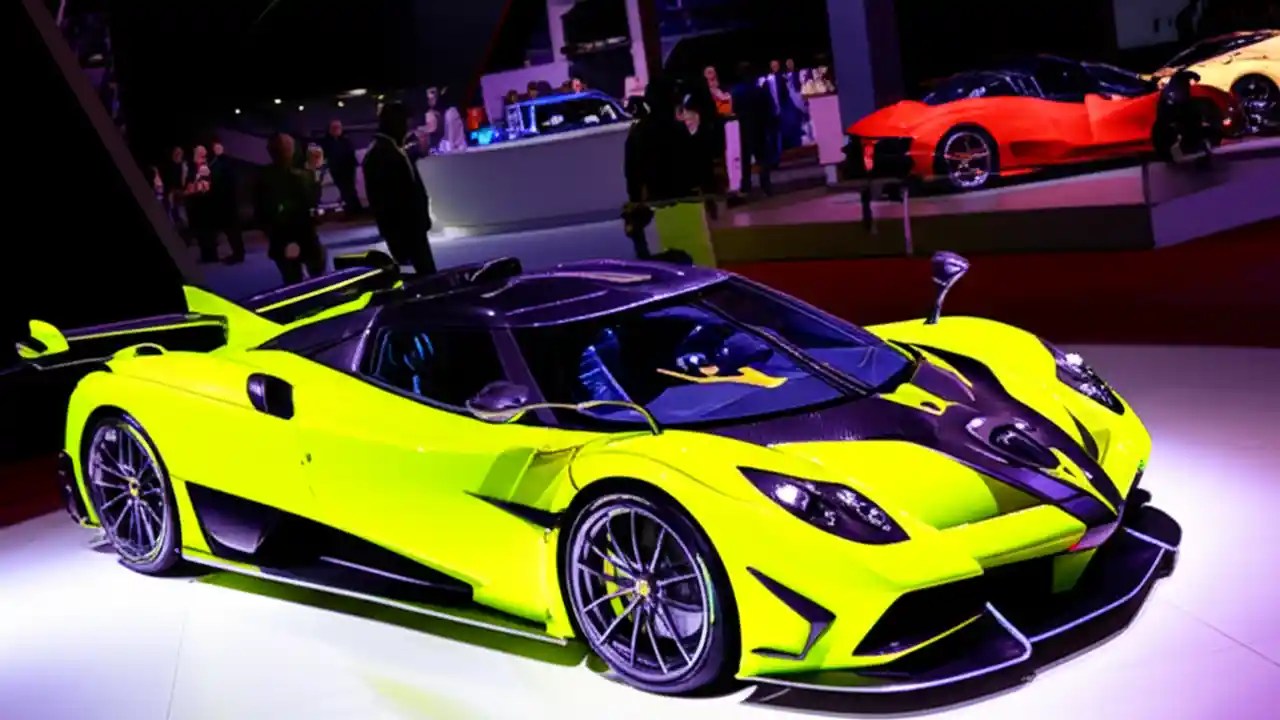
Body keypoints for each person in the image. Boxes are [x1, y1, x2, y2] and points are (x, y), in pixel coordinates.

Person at [623, 78, 696, 259]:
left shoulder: (638, 132)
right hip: (684, 207)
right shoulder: (679, 130)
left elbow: (631, 173)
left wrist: (636, 201)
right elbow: (693, 167)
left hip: (654, 209)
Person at [363, 101, 437, 275]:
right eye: (404, 123)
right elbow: (386, 201)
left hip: (411, 228)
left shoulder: (389, 149)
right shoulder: (382, 154)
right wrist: (396, 236)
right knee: (425, 277)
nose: (407, 129)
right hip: (406, 230)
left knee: (426, 274)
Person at [254, 133, 326, 285]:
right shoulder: (302, 176)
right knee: (318, 276)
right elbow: (313, 200)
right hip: (304, 235)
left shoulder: (261, 176)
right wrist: (315, 171)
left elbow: (259, 211)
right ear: (291, 150)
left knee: (291, 282)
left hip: (279, 237)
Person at [730, 62, 777, 199]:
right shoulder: (760, 90)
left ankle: (746, 186)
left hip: (745, 128)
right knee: (762, 158)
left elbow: (735, 110)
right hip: (760, 128)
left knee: (745, 159)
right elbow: (769, 108)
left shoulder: (736, 91)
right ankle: (766, 186)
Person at [208, 140, 245, 264]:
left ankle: (239, 254)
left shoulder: (227, 163)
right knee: (229, 229)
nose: (217, 149)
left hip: (229, 201)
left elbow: (230, 181)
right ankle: (237, 253)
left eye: (219, 147)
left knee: (233, 229)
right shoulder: (214, 163)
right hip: (221, 201)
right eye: (215, 147)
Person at [184, 145, 219, 263]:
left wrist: (192, 189)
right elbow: (189, 184)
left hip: (205, 204)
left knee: (208, 231)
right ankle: (206, 254)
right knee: (202, 232)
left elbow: (204, 187)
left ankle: (211, 255)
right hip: (197, 204)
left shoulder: (204, 168)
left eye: (199, 153)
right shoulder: (192, 168)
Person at [319, 120, 362, 215]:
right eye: (334, 128)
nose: (337, 130)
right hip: (336, 169)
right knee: (344, 189)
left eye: (338, 128)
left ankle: (355, 209)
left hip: (348, 168)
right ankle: (352, 209)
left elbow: (351, 154)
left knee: (350, 189)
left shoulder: (346, 140)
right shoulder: (327, 142)